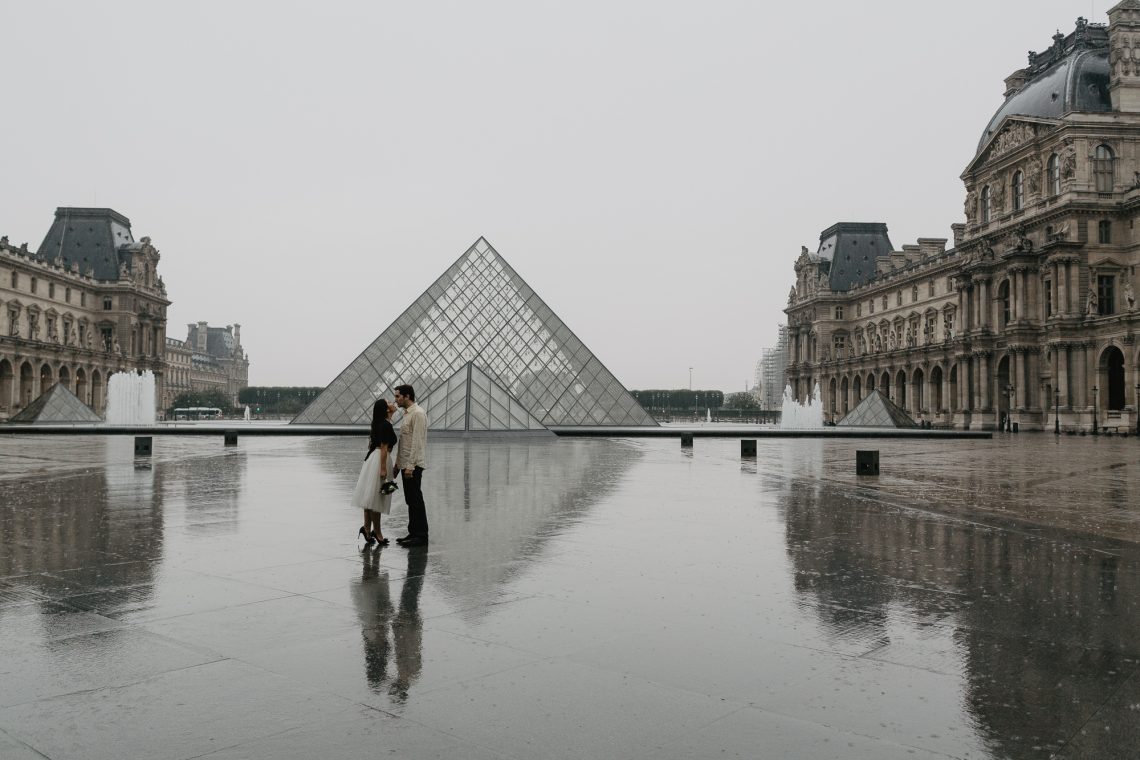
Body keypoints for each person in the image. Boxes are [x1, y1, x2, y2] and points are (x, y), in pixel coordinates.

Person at [351, 398, 398, 546]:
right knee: (377, 498)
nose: (392, 402)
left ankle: (366, 528)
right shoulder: (385, 425)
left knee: (369, 497)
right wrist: (383, 468)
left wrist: (390, 413)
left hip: (372, 459)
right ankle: (377, 533)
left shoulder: (378, 423)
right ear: (385, 409)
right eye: (388, 402)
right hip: (380, 460)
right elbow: (384, 447)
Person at [393, 384, 428, 546]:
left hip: (412, 465)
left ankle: (420, 535)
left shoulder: (418, 414)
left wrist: (410, 466)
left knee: (415, 500)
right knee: (410, 500)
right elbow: (403, 444)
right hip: (405, 464)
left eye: (398, 396)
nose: (396, 400)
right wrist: (397, 465)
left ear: (407, 396)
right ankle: (413, 532)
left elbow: (417, 443)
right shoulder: (408, 414)